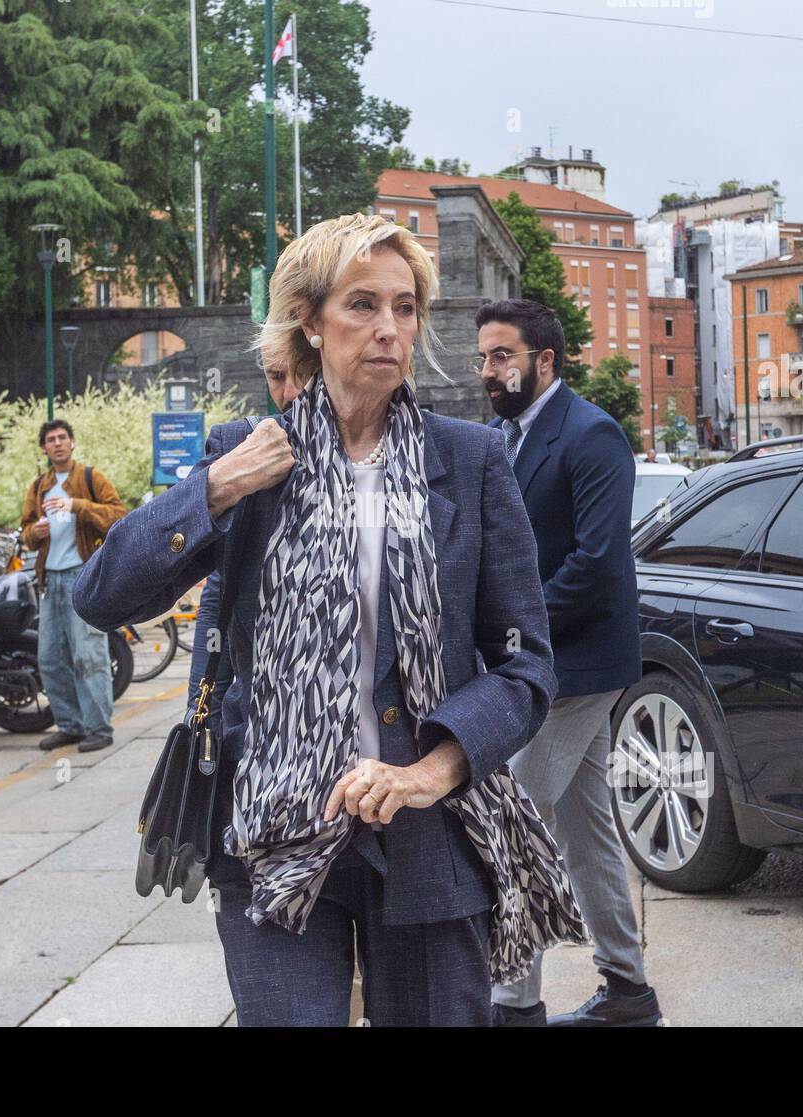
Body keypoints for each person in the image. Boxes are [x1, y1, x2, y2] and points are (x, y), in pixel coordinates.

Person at [75, 213, 586, 1027]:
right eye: (361, 305)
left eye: (405, 306)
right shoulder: (249, 452)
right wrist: (215, 487)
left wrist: (431, 770)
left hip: (431, 833)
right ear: (309, 321)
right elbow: (100, 596)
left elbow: (527, 665)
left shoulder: (469, 459)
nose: (389, 328)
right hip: (275, 824)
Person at [478, 298, 660, 1028]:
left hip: (580, 664)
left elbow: (596, 563)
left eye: (502, 356)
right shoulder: (505, 435)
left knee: (515, 820)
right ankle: (629, 991)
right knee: (587, 830)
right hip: (540, 664)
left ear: (543, 360)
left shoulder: (592, 434)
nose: (488, 370)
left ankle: (513, 1004)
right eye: (484, 357)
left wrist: (511, 627)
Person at [186, 355, 307, 721]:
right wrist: (199, 711)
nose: (288, 393)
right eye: (275, 376)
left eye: (304, 374)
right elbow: (220, 590)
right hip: (265, 726)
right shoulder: (245, 449)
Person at [20, 420, 127, 753]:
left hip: (84, 576)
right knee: (50, 658)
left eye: (62, 438)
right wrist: (34, 534)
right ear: (44, 448)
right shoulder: (39, 486)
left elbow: (118, 515)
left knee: (89, 655)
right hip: (50, 581)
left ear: (73, 443)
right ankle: (70, 725)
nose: (57, 444)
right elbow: (25, 532)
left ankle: (99, 727)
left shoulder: (90, 478)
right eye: (50, 440)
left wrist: (77, 505)